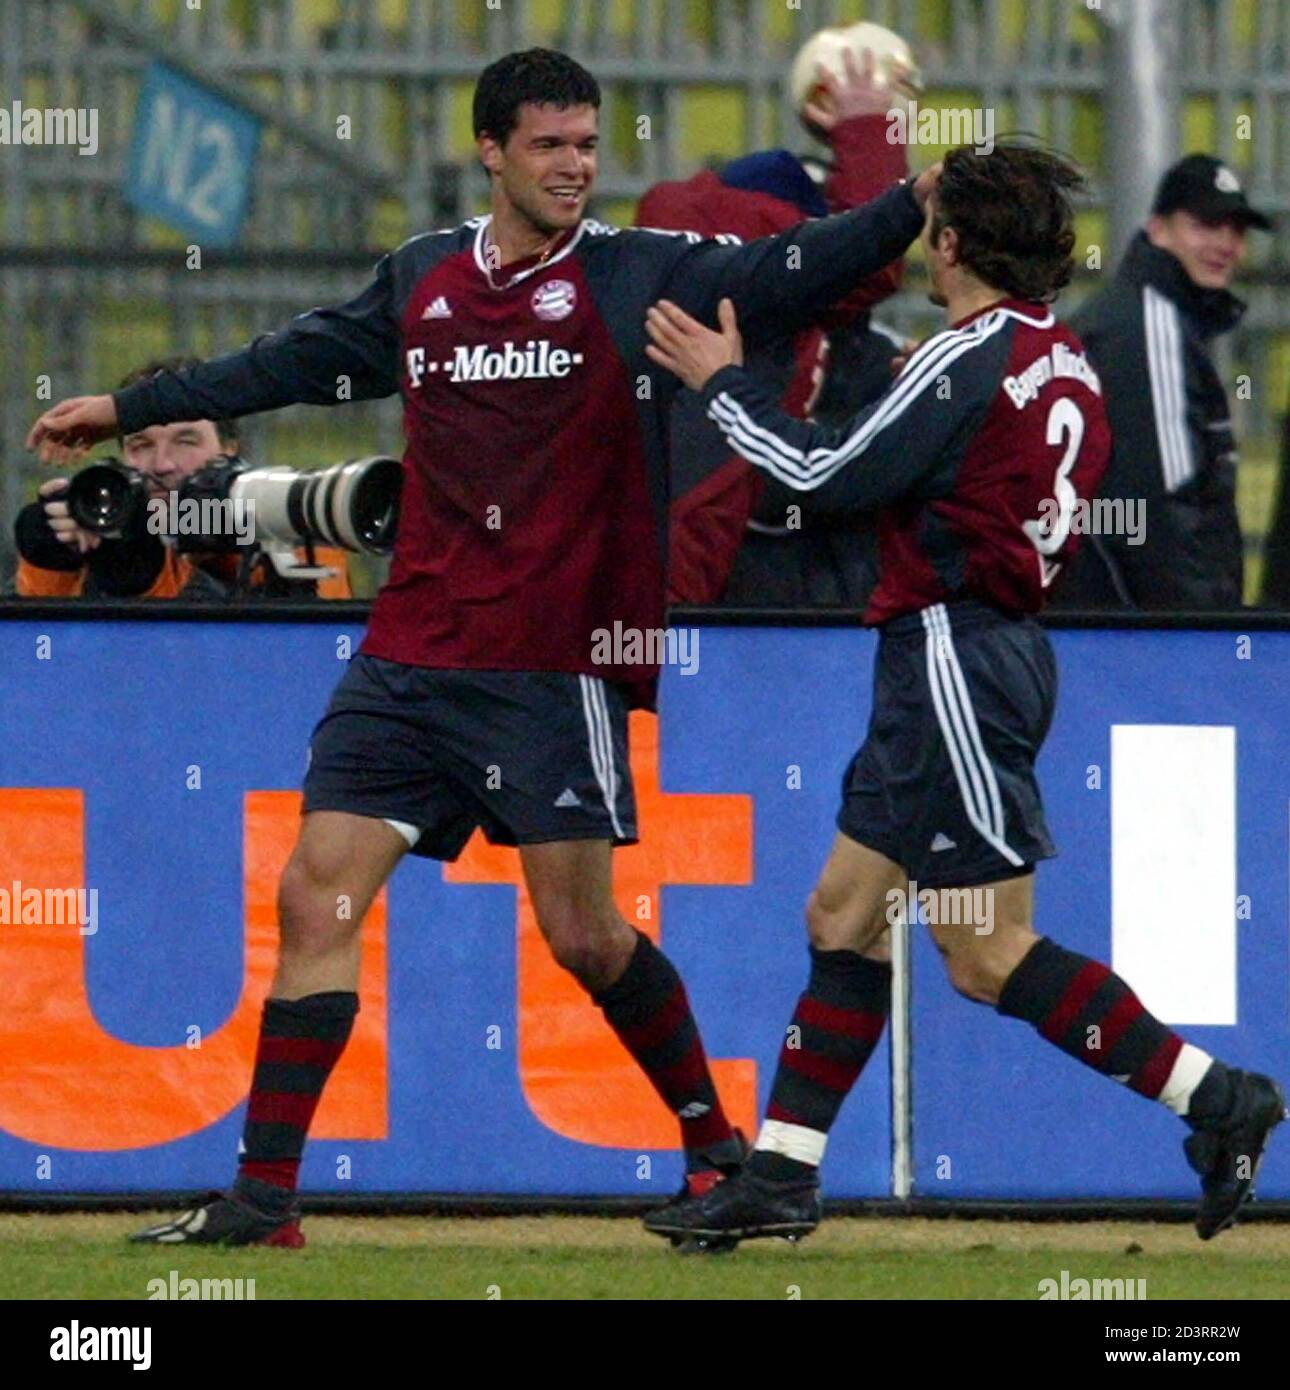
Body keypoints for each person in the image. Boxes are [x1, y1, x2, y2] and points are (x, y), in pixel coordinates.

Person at [28, 48, 938, 1246]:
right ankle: (265, 1199)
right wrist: (129, 407)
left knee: (585, 936)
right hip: (410, 652)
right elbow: (291, 362)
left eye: (588, 144)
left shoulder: (633, 276)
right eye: (551, 145)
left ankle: (719, 1157)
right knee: (315, 894)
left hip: (550, 661)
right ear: (493, 151)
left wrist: (906, 206)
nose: (576, 166)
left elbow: (784, 271)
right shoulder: (427, 280)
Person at [639, 142, 1285, 1248]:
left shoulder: (965, 357)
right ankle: (785, 1172)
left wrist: (722, 385)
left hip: (952, 655)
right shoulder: (1067, 361)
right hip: (983, 649)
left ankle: (1218, 1099)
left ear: (950, 245)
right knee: (843, 912)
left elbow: (819, 473)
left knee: (983, 950)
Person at [637, 25, 916, 607]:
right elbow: (870, 259)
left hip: (726, 550)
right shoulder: (769, 279)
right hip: (759, 558)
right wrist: (870, 130)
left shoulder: (675, 265)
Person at [1054, 154, 1272, 610]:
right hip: (1141, 633)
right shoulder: (1151, 326)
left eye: (1235, 230)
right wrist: (1206, 631)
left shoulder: (1142, 315)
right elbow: (1164, 507)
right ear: (1157, 228)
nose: (1226, 244)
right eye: (1206, 225)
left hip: (1103, 620)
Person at [15, 357, 351, 600]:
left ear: (230, 449)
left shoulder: (283, 517)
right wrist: (51, 554)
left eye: (186, 441)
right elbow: (38, 654)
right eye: (141, 445)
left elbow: (300, 642)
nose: (162, 464)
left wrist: (140, 567)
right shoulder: (97, 524)